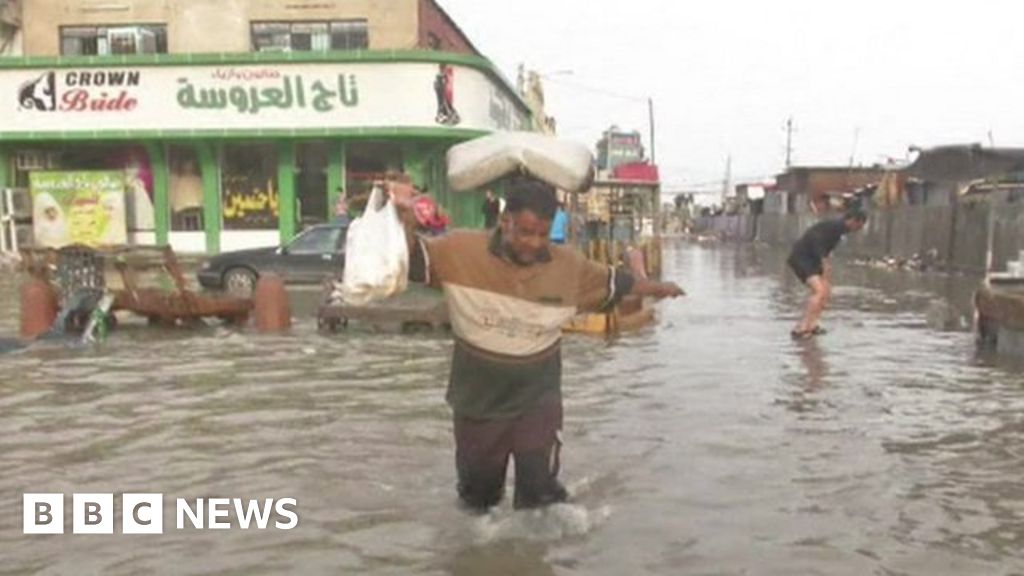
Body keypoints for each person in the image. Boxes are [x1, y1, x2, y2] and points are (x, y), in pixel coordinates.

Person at [388, 176, 684, 511]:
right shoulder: (460, 251)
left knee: (539, 495)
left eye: (542, 234)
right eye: (524, 232)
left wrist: (660, 287)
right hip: (477, 399)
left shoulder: (568, 266)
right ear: (504, 221)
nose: (534, 243)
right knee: (477, 498)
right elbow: (408, 261)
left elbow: (617, 283)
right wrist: (403, 218)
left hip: (537, 397)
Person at [787, 208, 867, 339]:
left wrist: (825, 264)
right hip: (802, 258)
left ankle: (812, 325)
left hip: (812, 260)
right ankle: (802, 328)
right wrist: (824, 261)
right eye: (859, 225)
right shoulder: (834, 226)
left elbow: (825, 247)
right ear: (852, 220)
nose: (858, 229)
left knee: (826, 291)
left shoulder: (840, 230)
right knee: (819, 291)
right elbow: (815, 240)